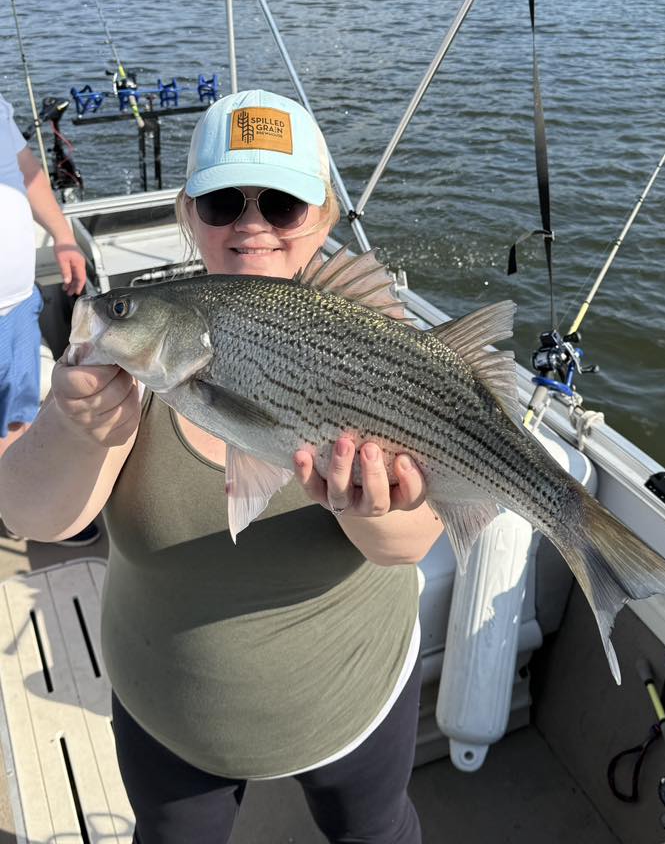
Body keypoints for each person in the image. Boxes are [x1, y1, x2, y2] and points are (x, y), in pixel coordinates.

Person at [0, 89, 444, 844]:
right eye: (221, 204)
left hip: (352, 699)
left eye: (281, 204)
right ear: (186, 213)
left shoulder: (376, 338)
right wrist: (74, 426)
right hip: (169, 716)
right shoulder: (135, 355)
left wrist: (380, 510)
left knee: (375, 834)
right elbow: (38, 516)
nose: (252, 226)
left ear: (325, 217)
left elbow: (415, 542)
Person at [0, 91, 98, 546]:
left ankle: (13, 508)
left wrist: (62, 236)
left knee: (16, 411)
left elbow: (26, 170)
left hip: (17, 306)